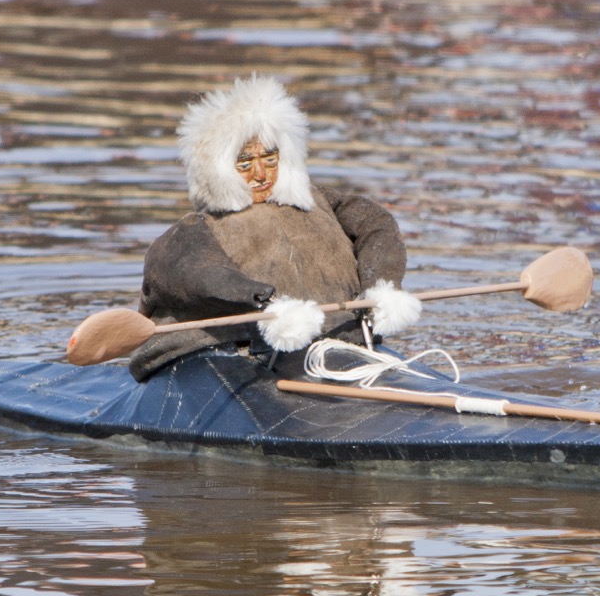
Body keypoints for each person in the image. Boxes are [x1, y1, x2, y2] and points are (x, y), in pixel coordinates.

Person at [129, 74, 421, 381]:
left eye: (269, 158)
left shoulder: (321, 202)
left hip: (342, 347)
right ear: (218, 169)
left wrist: (383, 286)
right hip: (237, 356)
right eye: (244, 164)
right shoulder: (193, 232)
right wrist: (269, 305)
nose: (260, 174)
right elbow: (199, 273)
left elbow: (376, 225)